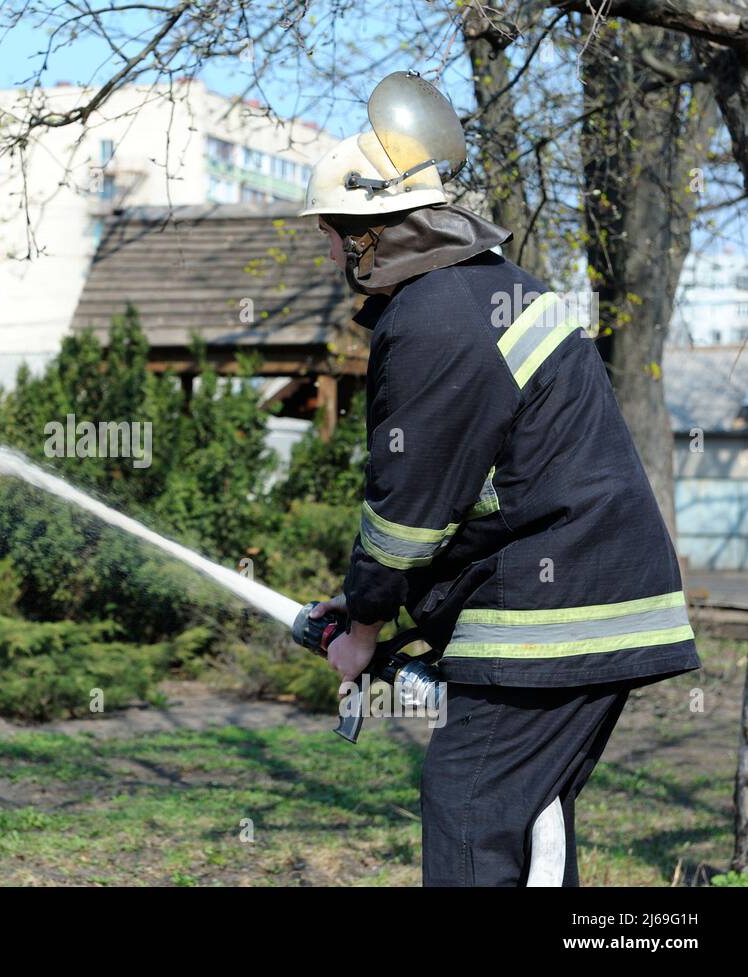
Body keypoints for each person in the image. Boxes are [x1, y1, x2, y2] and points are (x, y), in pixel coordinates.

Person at [301, 73, 701, 886]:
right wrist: (364, 602)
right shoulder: (485, 289)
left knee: (472, 803)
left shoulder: (431, 316)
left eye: (336, 233)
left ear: (372, 234)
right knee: (531, 821)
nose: (332, 251)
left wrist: (367, 630)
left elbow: (409, 515)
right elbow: (488, 488)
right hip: (592, 594)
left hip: (554, 613)